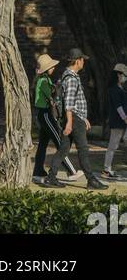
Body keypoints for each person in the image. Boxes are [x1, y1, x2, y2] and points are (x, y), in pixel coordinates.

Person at [44, 48, 106, 189]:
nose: (84, 62)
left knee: (63, 149)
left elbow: (72, 103)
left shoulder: (66, 76)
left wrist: (83, 118)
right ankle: (91, 180)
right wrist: (70, 123)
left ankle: (51, 177)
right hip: (73, 120)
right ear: (77, 61)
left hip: (74, 118)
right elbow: (69, 104)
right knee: (83, 149)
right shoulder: (71, 79)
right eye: (82, 60)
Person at [31, 54, 77, 184]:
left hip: (42, 114)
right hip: (45, 114)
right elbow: (52, 93)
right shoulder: (44, 80)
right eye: (52, 66)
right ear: (47, 68)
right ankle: (71, 171)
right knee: (59, 141)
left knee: (42, 145)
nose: (54, 68)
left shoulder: (43, 79)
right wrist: (58, 86)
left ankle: (38, 171)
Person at [103, 62, 127, 179]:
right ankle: (107, 169)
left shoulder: (120, 88)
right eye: (124, 75)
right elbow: (118, 106)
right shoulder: (114, 89)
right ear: (118, 74)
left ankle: (107, 169)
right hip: (118, 121)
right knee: (113, 146)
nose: (125, 77)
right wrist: (125, 118)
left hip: (122, 121)